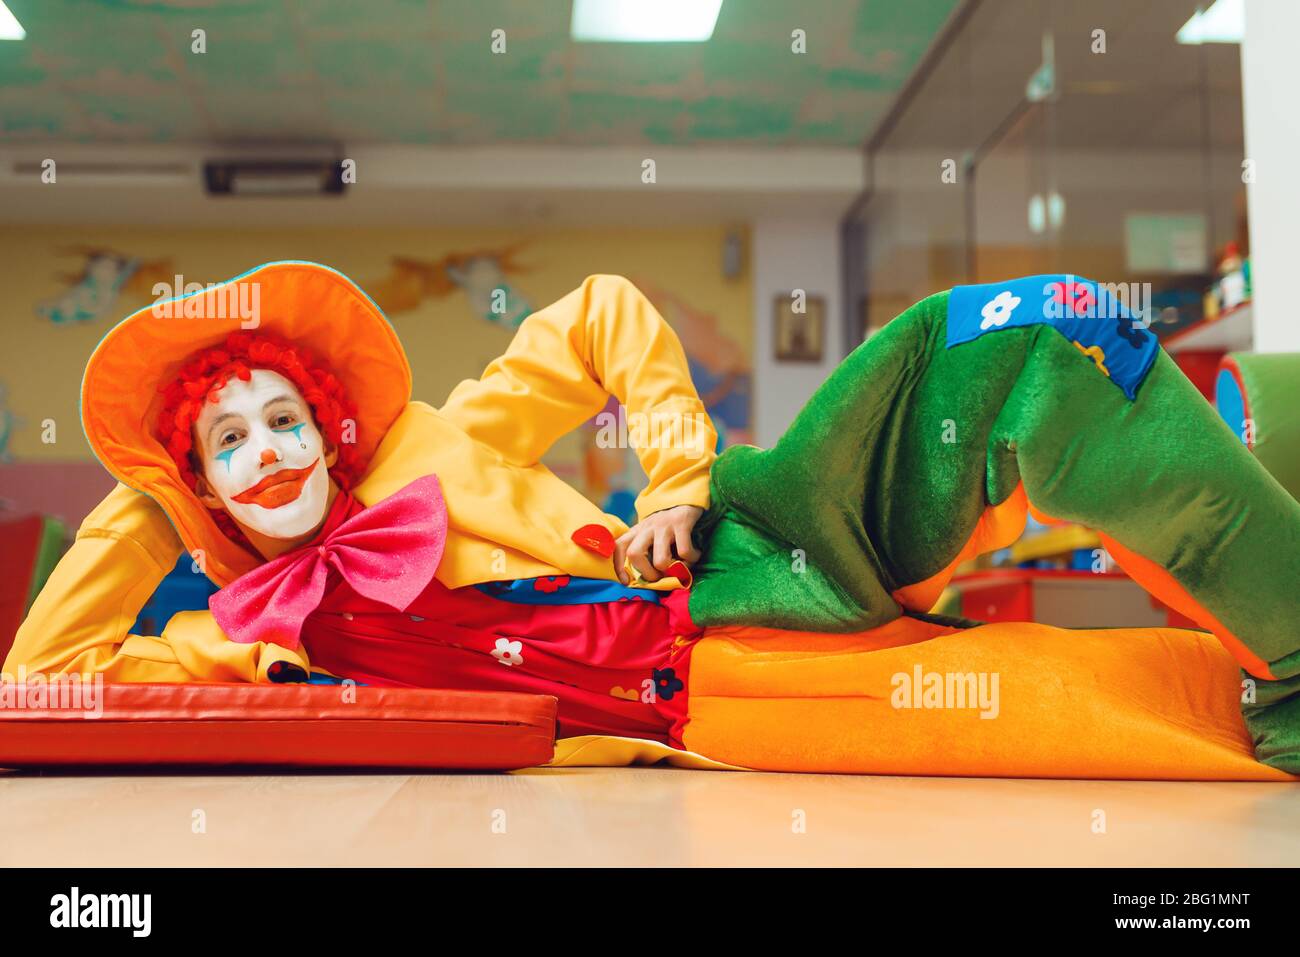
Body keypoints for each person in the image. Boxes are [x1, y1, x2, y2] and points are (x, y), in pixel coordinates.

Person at [9, 263, 1299, 770]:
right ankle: (1279, 715)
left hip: (753, 556)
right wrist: (154, 496)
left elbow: (602, 312)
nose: (267, 452)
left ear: (333, 428)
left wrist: (673, 487)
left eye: (283, 419)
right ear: (204, 487)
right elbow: (43, 681)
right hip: (733, 713)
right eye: (229, 444)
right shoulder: (238, 635)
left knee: (1015, 346)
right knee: (1112, 725)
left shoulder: (426, 450)